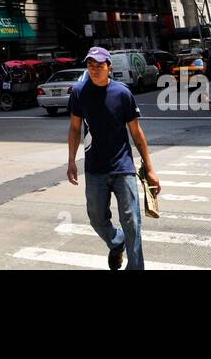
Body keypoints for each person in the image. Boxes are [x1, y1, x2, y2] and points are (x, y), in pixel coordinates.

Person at [67, 47, 159, 270]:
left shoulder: (122, 93)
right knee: (96, 218)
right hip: (94, 168)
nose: (94, 69)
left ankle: (136, 267)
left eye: (99, 65)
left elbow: (137, 133)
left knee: (132, 221)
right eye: (90, 65)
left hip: (123, 166)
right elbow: (74, 129)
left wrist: (150, 168)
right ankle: (116, 243)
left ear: (109, 67)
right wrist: (71, 161)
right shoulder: (79, 92)